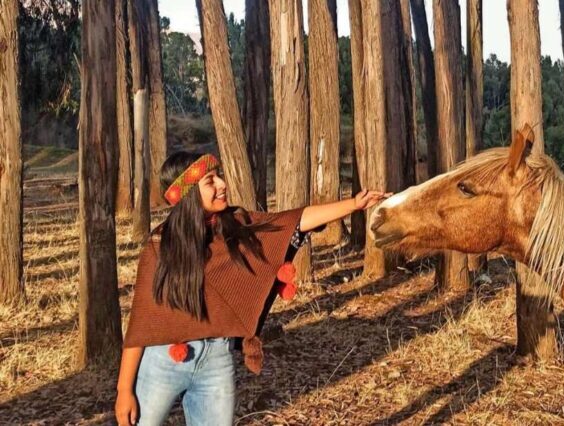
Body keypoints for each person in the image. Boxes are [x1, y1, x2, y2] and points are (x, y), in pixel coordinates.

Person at [114, 151, 389, 425]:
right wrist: (124, 390)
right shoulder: (160, 246)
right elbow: (141, 324)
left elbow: (293, 220)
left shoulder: (238, 224)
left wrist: (354, 204)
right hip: (165, 360)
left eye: (218, 176)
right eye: (210, 181)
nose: (222, 184)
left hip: (216, 361)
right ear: (187, 194)